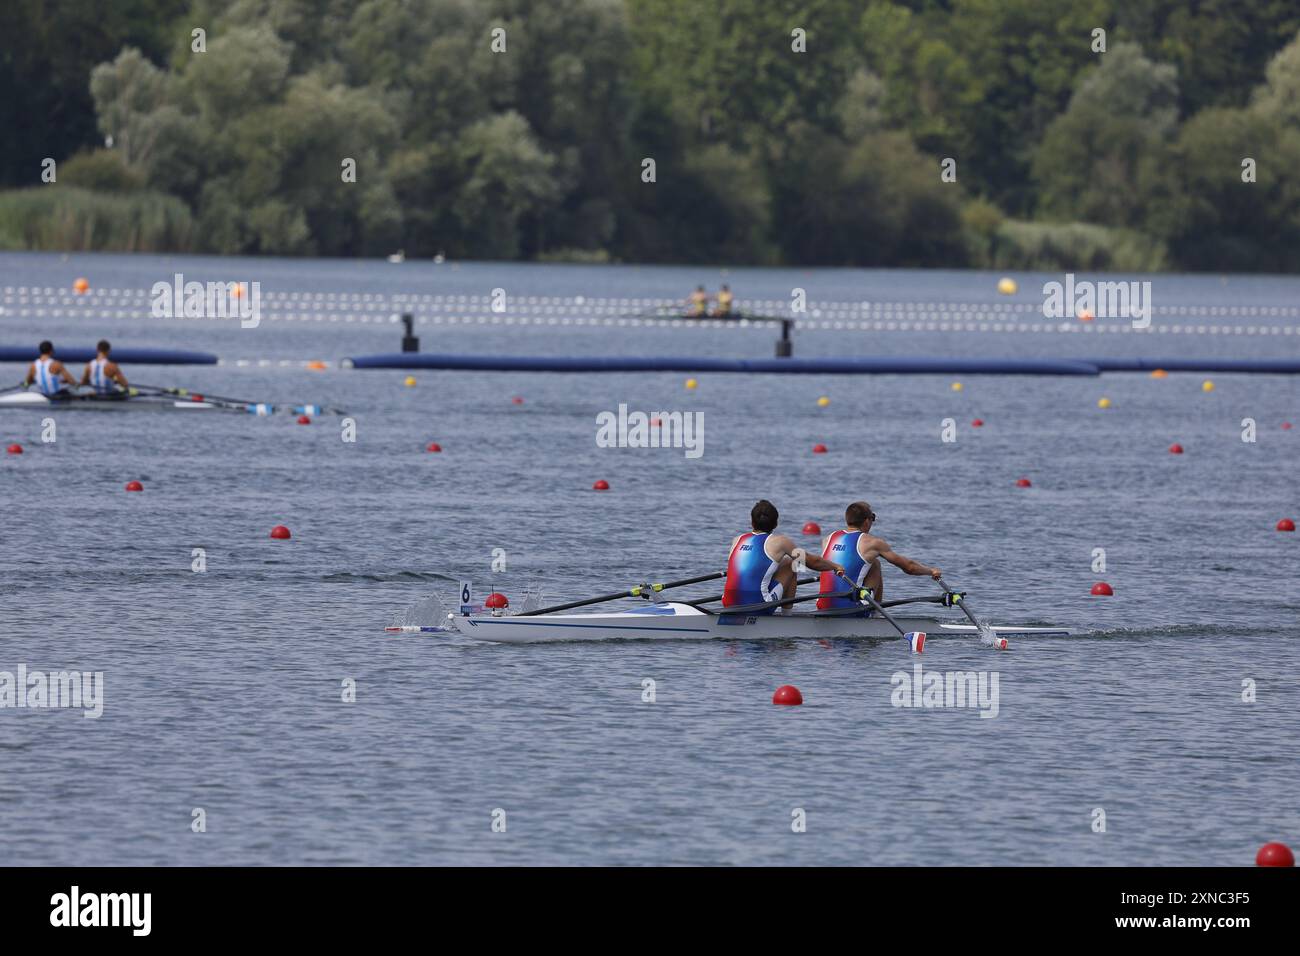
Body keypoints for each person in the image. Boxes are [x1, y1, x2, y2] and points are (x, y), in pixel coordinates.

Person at [817, 501, 941, 612]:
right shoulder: (873, 543)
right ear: (866, 521)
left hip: (823, 607)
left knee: (871, 563)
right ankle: (875, 613)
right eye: (873, 518)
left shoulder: (828, 539)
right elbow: (909, 567)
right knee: (875, 563)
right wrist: (931, 571)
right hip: (850, 610)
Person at [723, 500, 843, 614]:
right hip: (758, 605)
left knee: (776, 565)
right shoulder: (781, 542)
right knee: (793, 563)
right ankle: (786, 618)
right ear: (776, 524)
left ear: (752, 522)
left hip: (728, 602)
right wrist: (835, 566)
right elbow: (812, 562)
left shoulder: (737, 540)